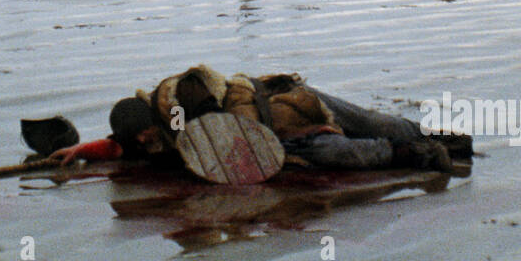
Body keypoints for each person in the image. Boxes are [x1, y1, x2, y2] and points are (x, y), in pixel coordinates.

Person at [48, 64, 470, 173]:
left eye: (144, 135)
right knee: (338, 152)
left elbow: (212, 117)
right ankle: (419, 154)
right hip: (277, 141)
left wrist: (197, 132)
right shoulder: (147, 131)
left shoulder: (177, 97)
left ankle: (444, 137)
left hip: (280, 103)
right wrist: (81, 149)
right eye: (140, 140)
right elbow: (122, 143)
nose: (144, 142)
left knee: (375, 121)